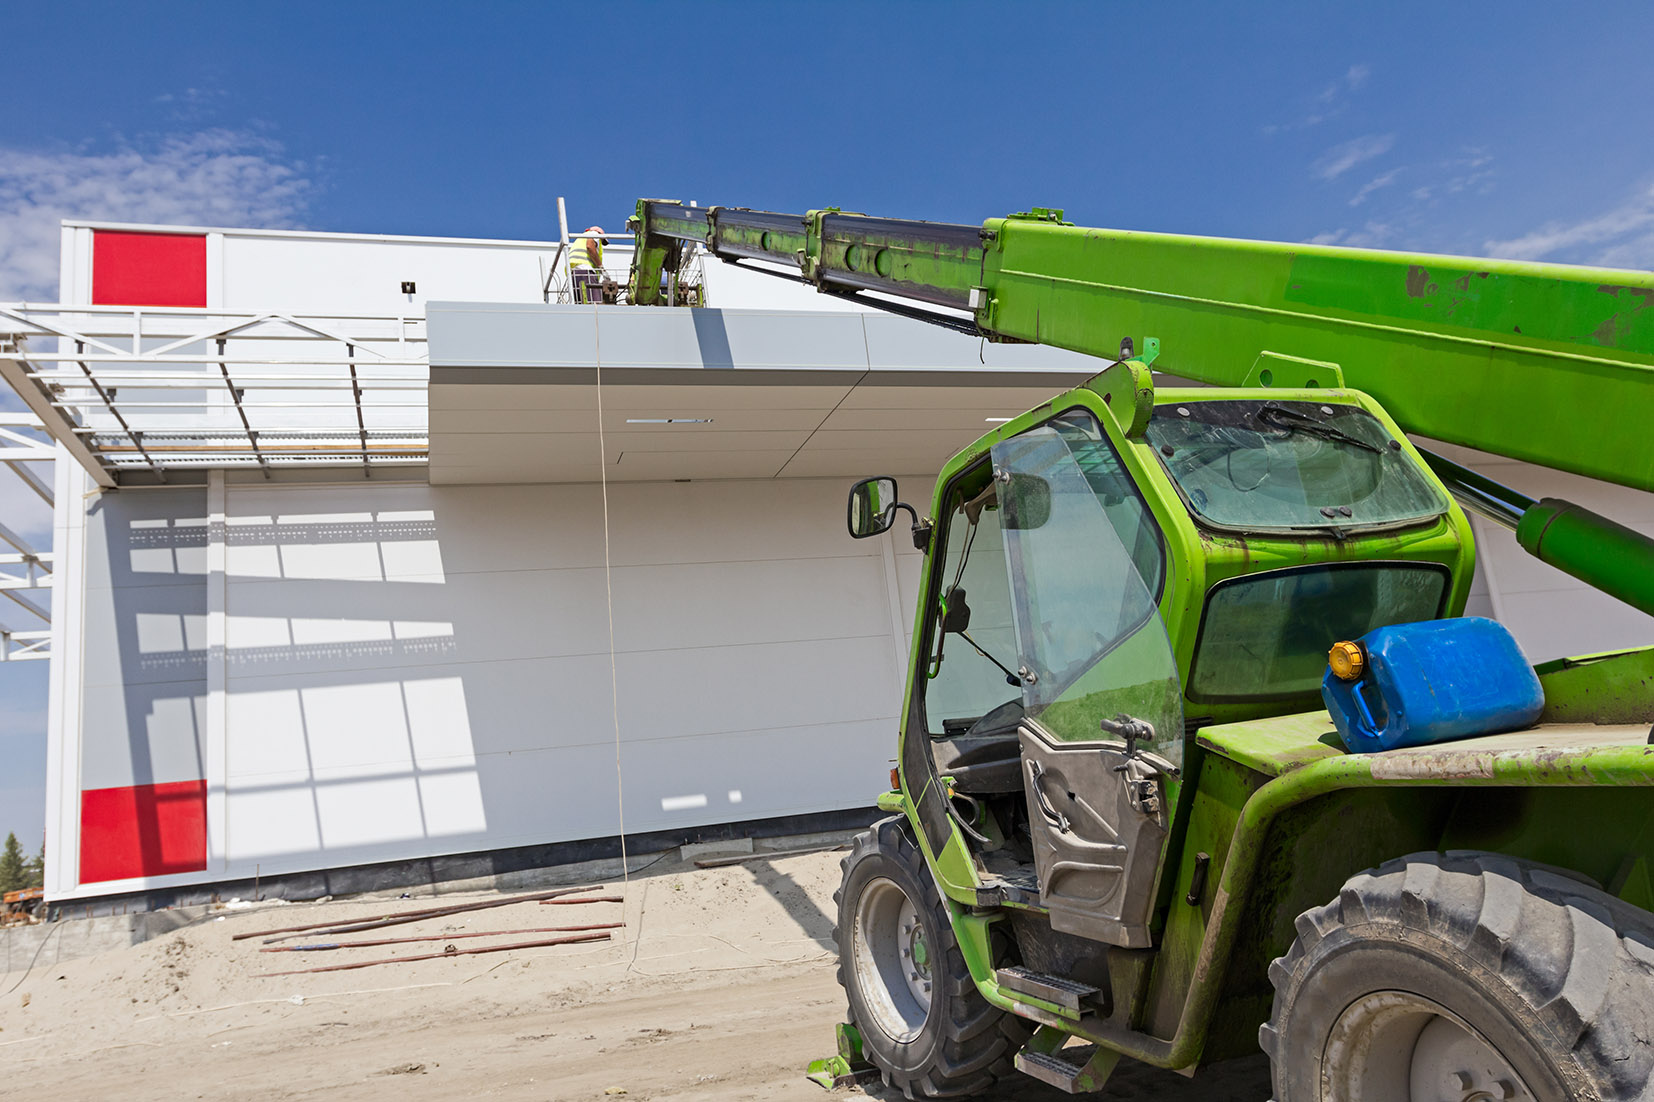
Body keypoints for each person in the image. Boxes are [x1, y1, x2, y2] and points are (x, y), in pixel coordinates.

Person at [569, 225, 607, 304]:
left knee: (581, 304)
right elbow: (590, 246)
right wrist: (601, 268)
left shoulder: (580, 239)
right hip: (586, 273)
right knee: (595, 304)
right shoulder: (594, 233)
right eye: (602, 240)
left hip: (574, 274)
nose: (600, 242)